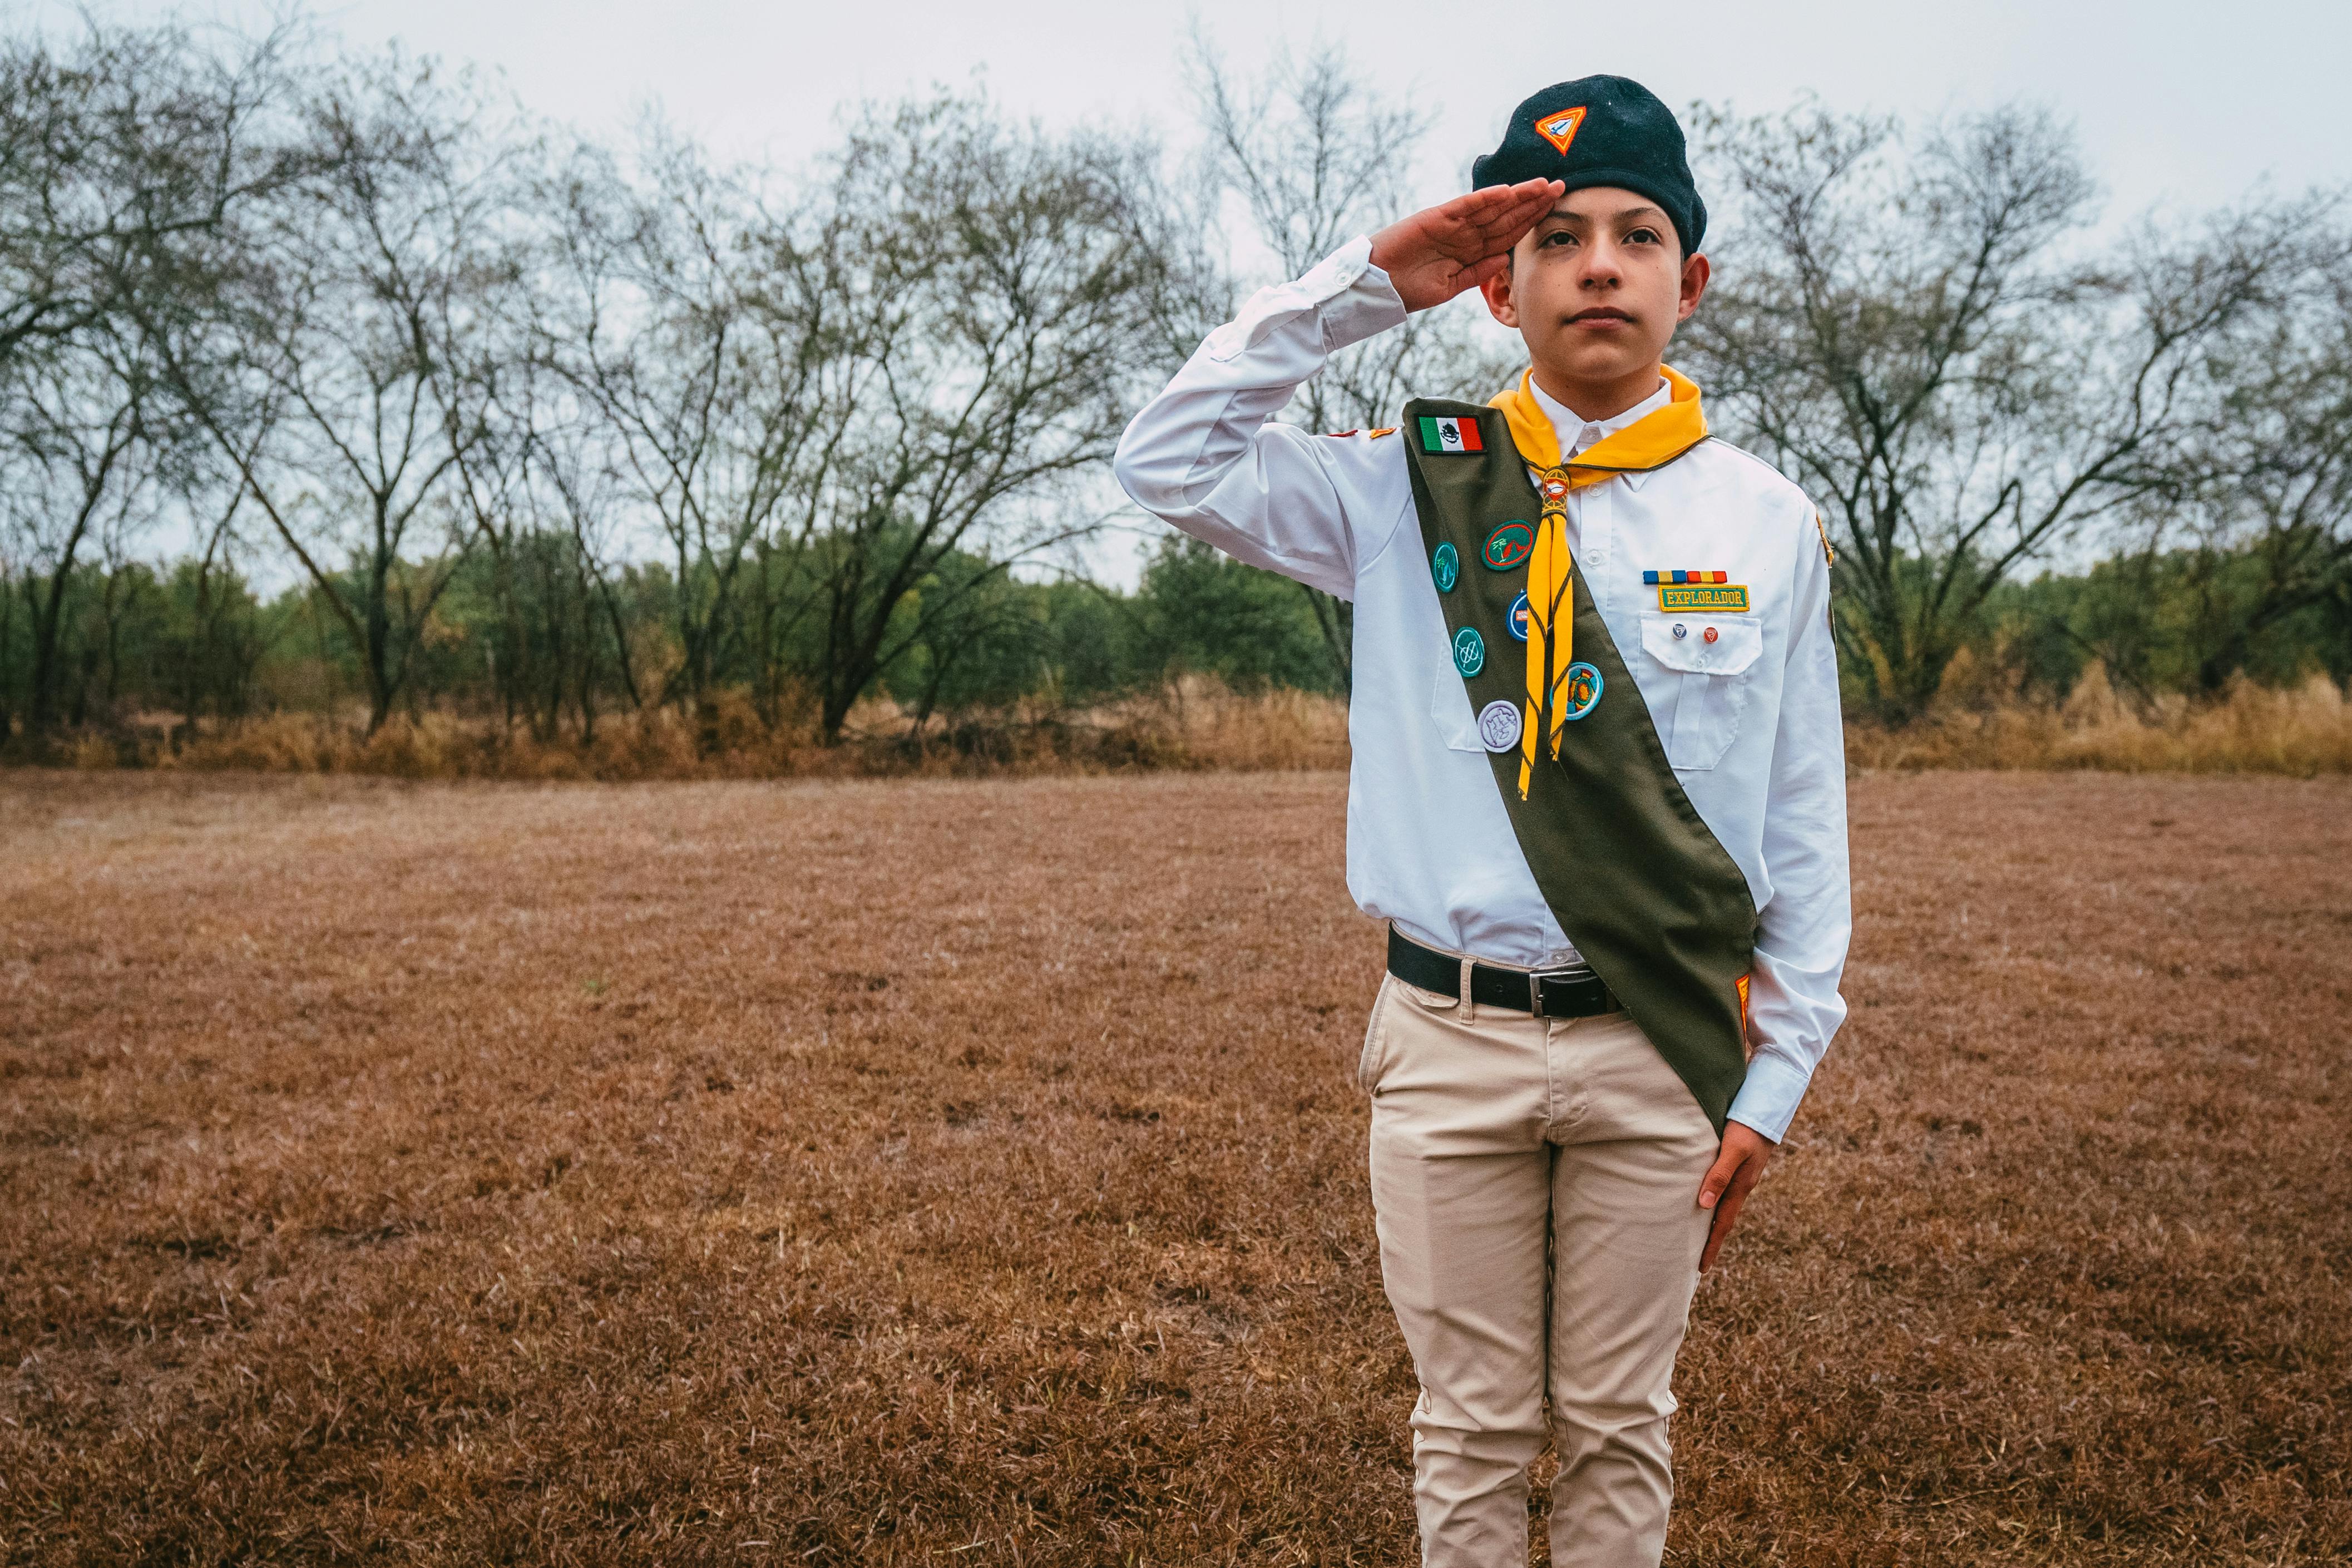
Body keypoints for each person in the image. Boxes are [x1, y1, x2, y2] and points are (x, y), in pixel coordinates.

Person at [1114, 75, 1851, 1568]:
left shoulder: (1762, 522)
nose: (1597, 263)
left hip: (1659, 1040)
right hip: (1445, 1037)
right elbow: (1164, 459)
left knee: (1619, 1423)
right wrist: (1365, 288)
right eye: (1557, 236)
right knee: (1464, 1432)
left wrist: (1775, 1075)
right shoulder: (1405, 492)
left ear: (1687, 284)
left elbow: (1800, 812)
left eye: (1636, 236)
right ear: (1495, 288)